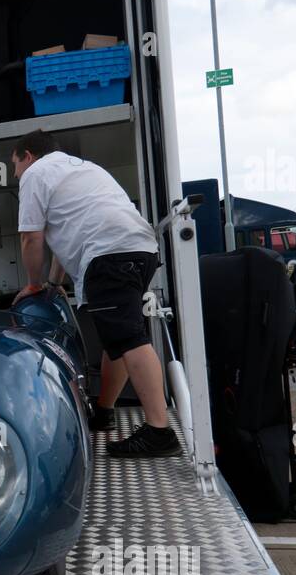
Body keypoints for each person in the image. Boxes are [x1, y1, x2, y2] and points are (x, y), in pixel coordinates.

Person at [11, 129, 179, 458]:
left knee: (130, 339)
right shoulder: (83, 169)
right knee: (116, 340)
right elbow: (66, 237)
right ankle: (103, 412)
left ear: (28, 156)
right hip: (138, 249)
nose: (15, 173)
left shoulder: (35, 174)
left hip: (109, 253)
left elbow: (31, 238)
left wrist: (33, 285)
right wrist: (55, 282)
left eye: (14, 164)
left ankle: (160, 432)